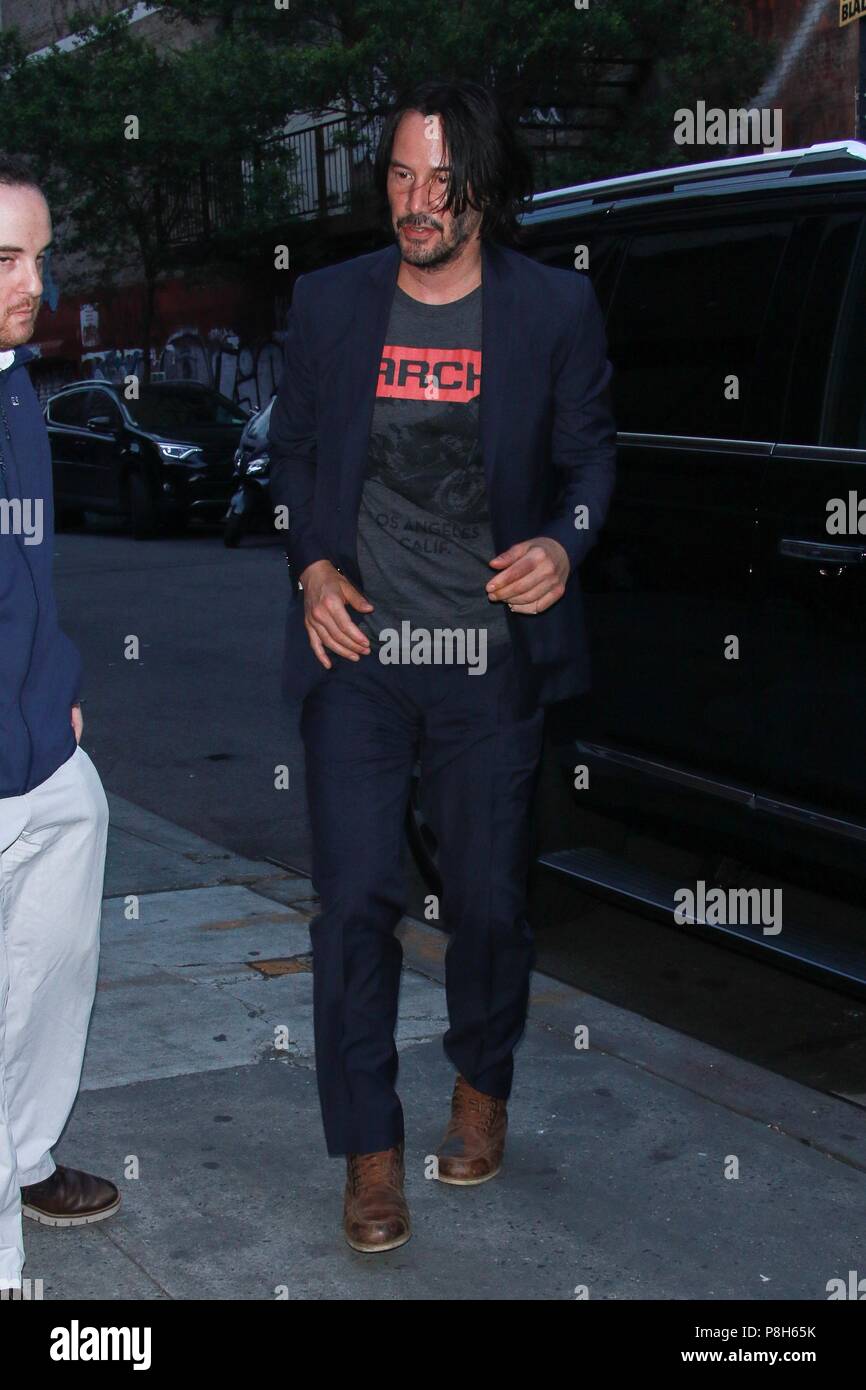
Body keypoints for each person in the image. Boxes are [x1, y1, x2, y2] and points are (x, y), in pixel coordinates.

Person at [268, 79, 616, 1253]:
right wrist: (312, 566)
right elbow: (297, 452)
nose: (416, 205)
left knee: (483, 900)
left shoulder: (551, 310)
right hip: (360, 648)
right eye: (401, 180)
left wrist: (560, 547)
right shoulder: (327, 305)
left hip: (483, 658)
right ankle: (368, 1149)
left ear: (485, 190)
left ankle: (481, 1080)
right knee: (354, 900)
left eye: (442, 184)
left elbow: (587, 459)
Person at [0, 158, 117, 1300]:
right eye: (5, 260)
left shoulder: (17, 381)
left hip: (40, 748)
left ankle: (27, 1151)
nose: (35, 281)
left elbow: (27, 573)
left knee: (53, 966)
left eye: (39, 253)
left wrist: (56, 679)